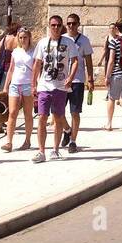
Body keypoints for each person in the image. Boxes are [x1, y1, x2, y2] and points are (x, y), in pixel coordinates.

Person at [32, 15, 75, 162]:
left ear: (61, 26)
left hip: (60, 86)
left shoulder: (69, 43)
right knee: (42, 118)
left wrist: (71, 77)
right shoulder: (43, 43)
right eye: (53, 25)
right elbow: (37, 64)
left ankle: (55, 150)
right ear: (49, 26)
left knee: (57, 118)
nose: (55, 28)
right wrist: (33, 84)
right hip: (44, 85)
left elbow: (75, 60)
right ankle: (41, 151)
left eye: (58, 25)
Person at [60, 13, 94, 154]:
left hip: (78, 80)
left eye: (74, 23)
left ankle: (73, 141)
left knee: (75, 112)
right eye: (69, 23)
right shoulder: (62, 39)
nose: (71, 26)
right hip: (62, 80)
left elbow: (88, 61)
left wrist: (90, 79)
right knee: (58, 111)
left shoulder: (84, 40)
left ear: (78, 24)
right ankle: (67, 130)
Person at [0, 26, 37, 152]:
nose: (23, 40)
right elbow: (11, 69)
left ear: (29, 38)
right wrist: (6, 86)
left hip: (28, 84)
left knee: (28, 114)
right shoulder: (15, 51)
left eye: (25, 37)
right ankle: (9, 142)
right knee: (12, 113)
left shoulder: (34, 52)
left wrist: (35, 85)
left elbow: (37, 69)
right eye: (20, 38)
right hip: (15, 84)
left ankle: (27, 141)